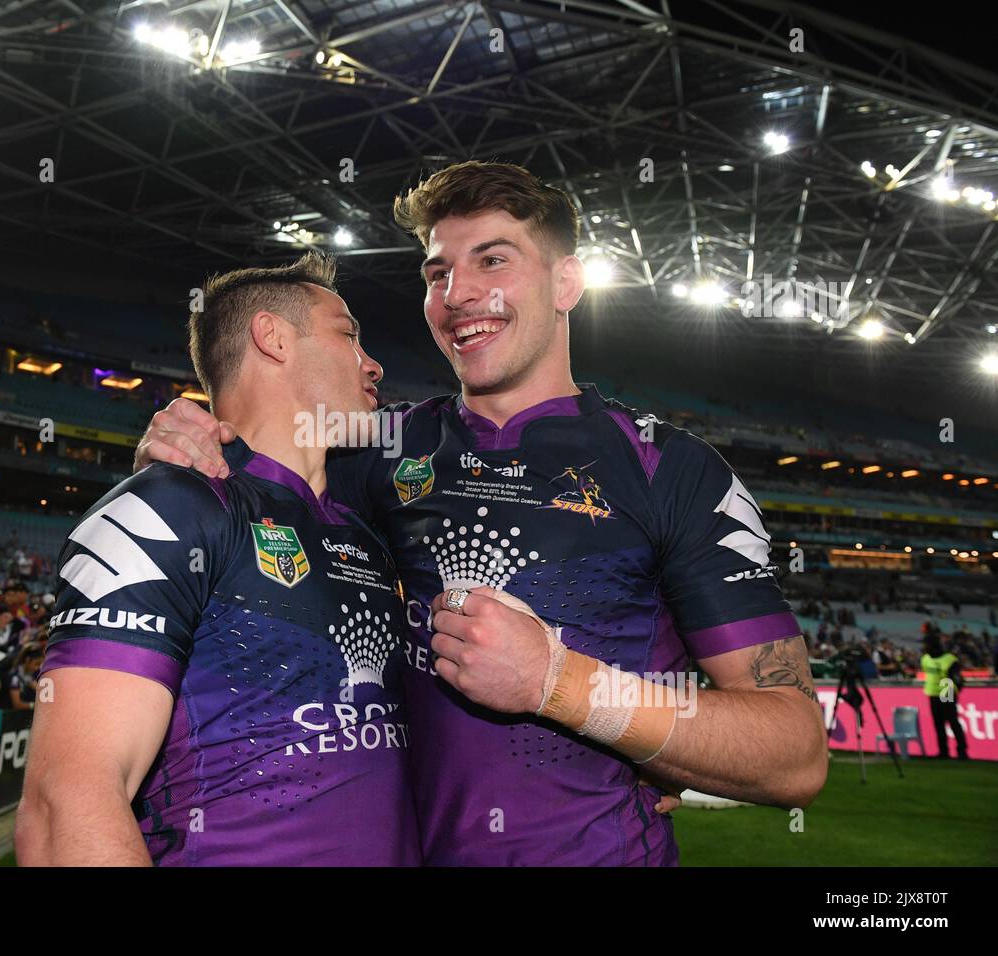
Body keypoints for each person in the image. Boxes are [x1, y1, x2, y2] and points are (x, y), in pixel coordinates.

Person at [136, 160, 827, 865]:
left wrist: (561, 685)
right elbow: (236, 474)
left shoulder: (672, 470)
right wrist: (181, 433)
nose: (459, 294)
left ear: (566, 284)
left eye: (492, 260)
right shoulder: (369, 451)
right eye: (438, 274)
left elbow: (794, 755)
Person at [17, 252, 419, 866]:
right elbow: (66, 799)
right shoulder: (167, 507)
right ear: (273, 337)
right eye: (348, 335)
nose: (374, 363)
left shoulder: (363, 532)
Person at [921, 632, 968, 759]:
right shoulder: (925, 659)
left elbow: (958, 679)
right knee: (938, 724)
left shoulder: (949, 659)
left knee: (952, 722)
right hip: (932, 692)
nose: (924, 647)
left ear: (932, 645)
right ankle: (943, 751)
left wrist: (953, 691)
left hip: (946, 688)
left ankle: (962, 751)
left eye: (926, 644)